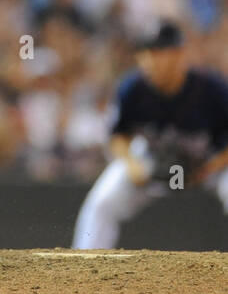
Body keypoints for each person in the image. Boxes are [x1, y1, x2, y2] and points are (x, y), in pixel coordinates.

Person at [72, 22, 228, 249]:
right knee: (102, 202)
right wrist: (131, 164)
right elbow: (118, 136)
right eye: (145, 52)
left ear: (179, 55)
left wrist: (211, 168)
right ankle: (82, 269)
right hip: (150, 162)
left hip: (208, 164)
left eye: (157, 52)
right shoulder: (132, 89)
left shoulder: (212, 89)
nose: (149, 59)